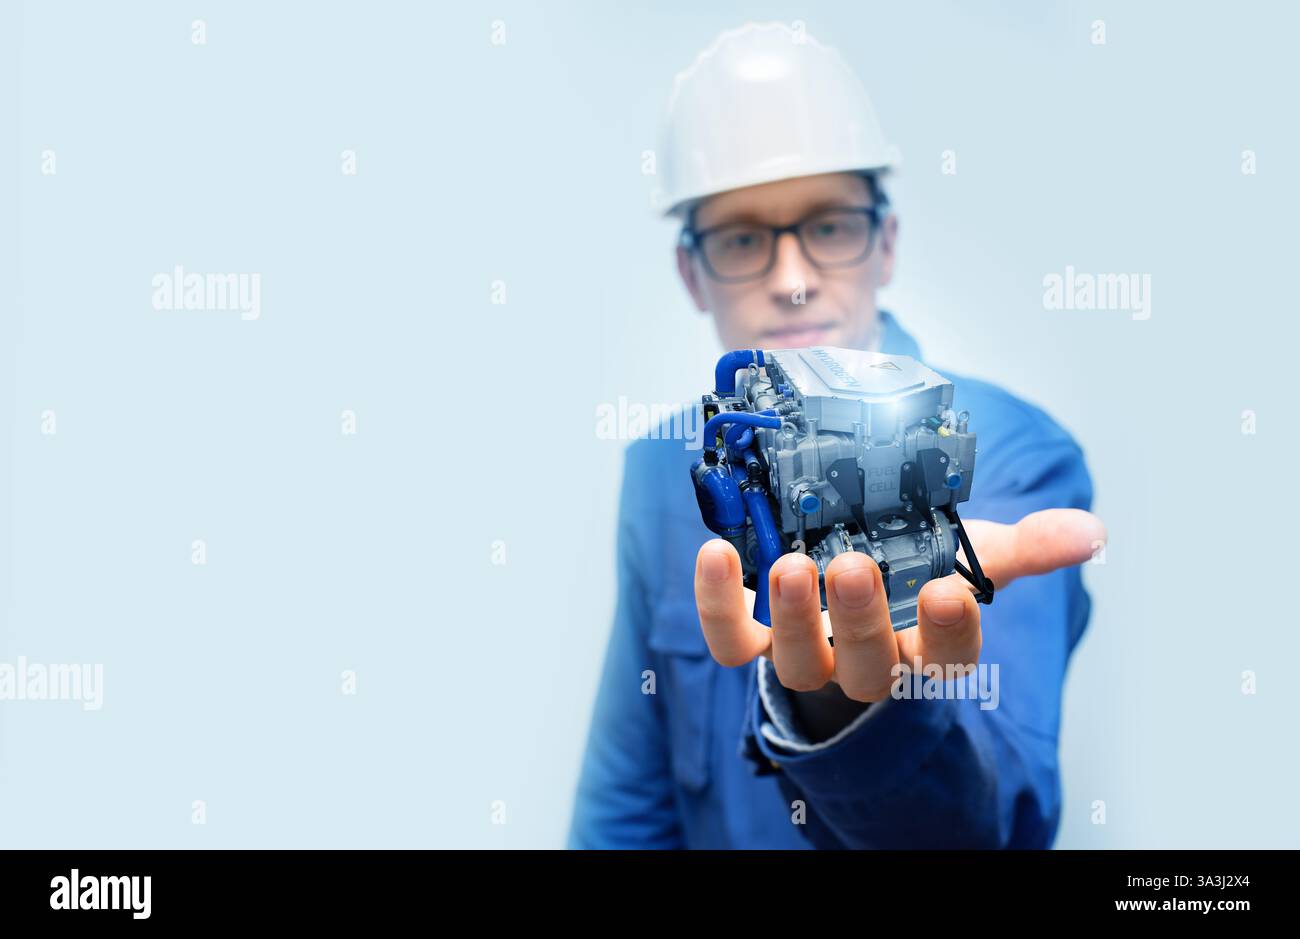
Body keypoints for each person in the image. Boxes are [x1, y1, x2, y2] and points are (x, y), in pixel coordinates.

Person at [568, 22, 1106, 849]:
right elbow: (626, 812)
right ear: (691, 270)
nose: (790, 280)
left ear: (884, 242)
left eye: (828, 225)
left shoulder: (1010, 456)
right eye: (743, 238)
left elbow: (999, 823)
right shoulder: (658, 472)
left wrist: (854, 708)